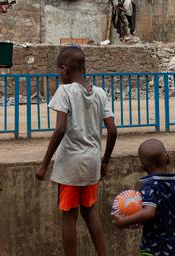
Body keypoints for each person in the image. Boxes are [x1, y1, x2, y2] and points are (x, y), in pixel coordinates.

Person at [35, 46, 118, 256]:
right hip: (92, 163)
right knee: (90, 212)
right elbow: (113, 130)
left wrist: (44, 164)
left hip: (70, 165)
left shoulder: (65, 91)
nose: (59, 75)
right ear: (84, 67)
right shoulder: (99, 93)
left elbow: (60, 128)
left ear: (64, 69)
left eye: (59, 72)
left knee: (69, 216)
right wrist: (105, 161)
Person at [112, 139, 175, 256]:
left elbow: (149, 212)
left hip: (154, 249)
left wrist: (123, 222)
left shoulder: (149, 186)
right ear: (168, 158)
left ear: (143, 167)